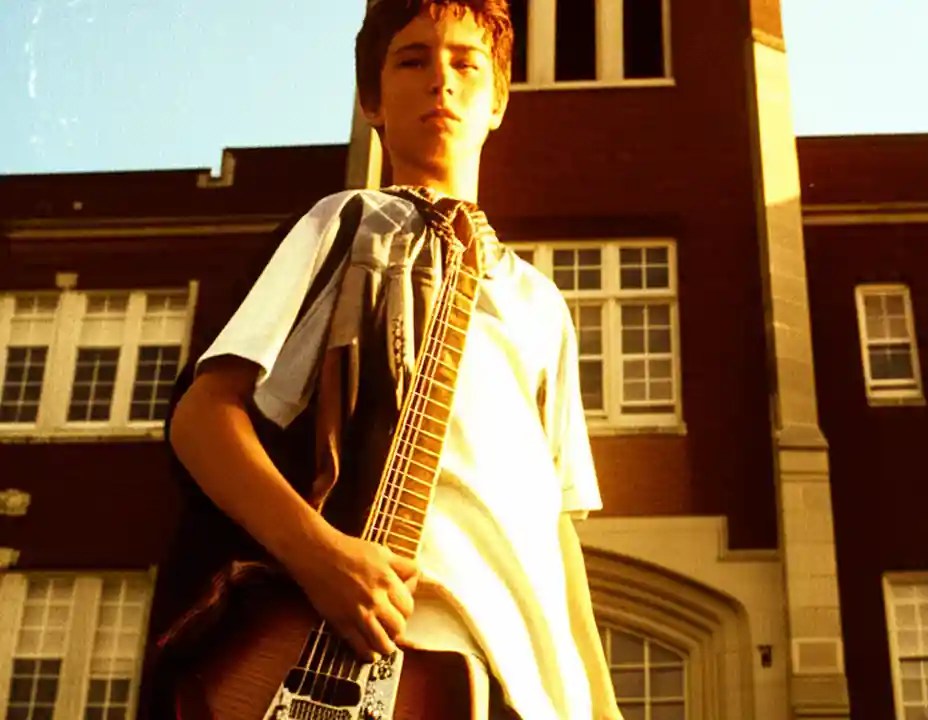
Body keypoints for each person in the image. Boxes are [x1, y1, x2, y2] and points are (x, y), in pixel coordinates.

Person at [158, 1, 622, 718]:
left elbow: (557, 531)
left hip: (527, 679)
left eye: (467, 63)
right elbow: (203, 417)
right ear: (372, 99)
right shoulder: (344, 222)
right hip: (384, 650)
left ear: (498, 100)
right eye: (413, 60)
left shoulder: (541, 304)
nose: (442, 79)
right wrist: (319, 556)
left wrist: (595, 700)